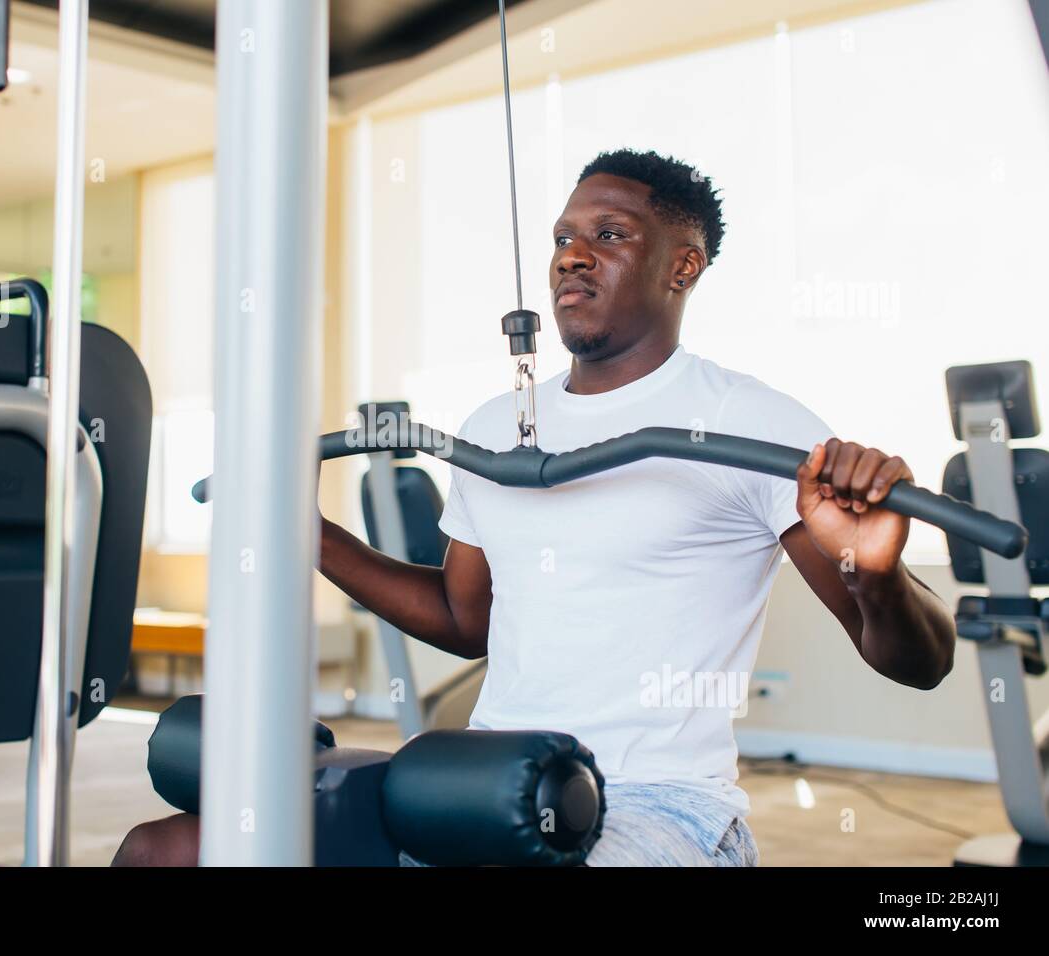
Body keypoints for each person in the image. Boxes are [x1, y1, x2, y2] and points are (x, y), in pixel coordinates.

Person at [113, 149, 956, 867]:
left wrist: (875, 575)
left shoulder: (753, 422)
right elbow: (460, 617)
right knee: (165, 851)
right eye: (562, 238)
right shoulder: (493, 428)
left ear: (683, 265)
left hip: (659, 805)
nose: (572, 256)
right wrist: (310, 535)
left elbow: (918, 663)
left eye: (609, 236)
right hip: (479, 778)